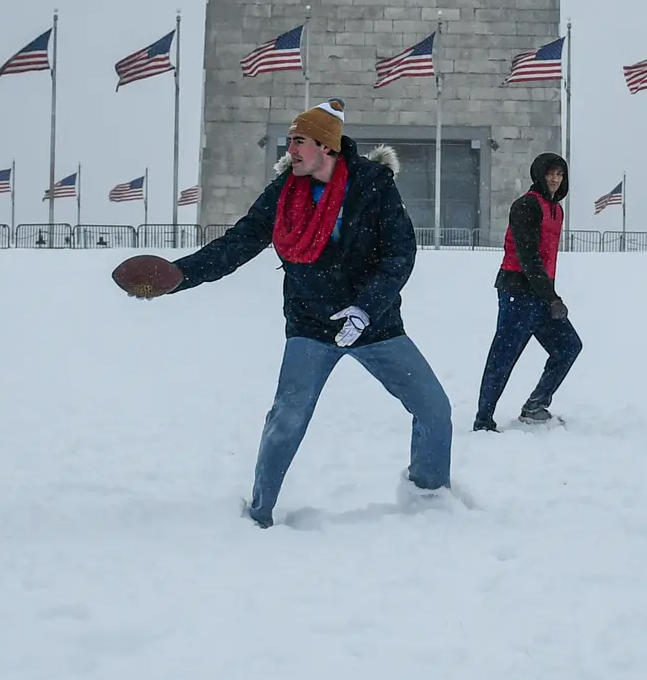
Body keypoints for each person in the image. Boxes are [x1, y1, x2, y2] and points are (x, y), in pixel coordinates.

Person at [155, 100, 453, 528]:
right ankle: (258, 515)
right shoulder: (284, 192)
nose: (290, 149)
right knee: (288, 418)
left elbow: (400, 253)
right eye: (291, 140)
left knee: (433, 408)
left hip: (375, 323)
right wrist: (181, 274)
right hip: (311, 324)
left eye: (300, 141)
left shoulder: (373, 185)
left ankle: (429, 500)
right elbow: (239, 242)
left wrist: (365, 310)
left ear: (326, 148)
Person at [473, 152, 581, 430]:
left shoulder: (555, 208)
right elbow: (528, 256)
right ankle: (483, 420)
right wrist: (551, 297)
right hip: (517, 292)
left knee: (568, 346)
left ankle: (535, 406)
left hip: (542, 294)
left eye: (560, 174)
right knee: (504, 356)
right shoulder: (526, 205)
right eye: (551, 173)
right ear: (539, 174)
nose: (555, 179)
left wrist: (549, 295)